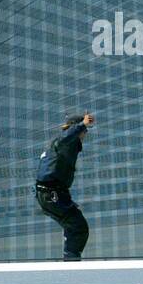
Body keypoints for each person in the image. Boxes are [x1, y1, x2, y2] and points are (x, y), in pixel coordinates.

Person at [35, 112, 94, 261]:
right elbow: (66, 137)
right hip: (51, 193)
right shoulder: (64, 142)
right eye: (85, 131)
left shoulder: (61, 145)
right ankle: (71, 262)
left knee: (74, 225)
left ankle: (70, 259)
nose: (85, 134)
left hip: (52, 193)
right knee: (77, 226)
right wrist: (82, 125)